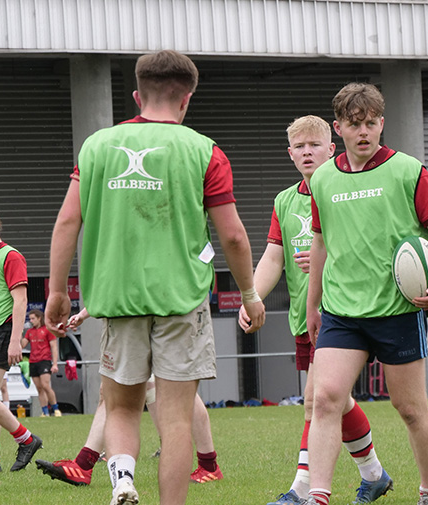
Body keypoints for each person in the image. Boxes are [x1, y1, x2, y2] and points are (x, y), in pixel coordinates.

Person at [44, 50, 265, 505]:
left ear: (136, 95)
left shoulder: (96, 146)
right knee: (177, 418)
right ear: (186, 100)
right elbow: (235, 238)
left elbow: (67, 223)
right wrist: (249, 294)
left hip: (117, 302)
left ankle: (122, 478)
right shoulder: (205, 151)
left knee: (122, 407)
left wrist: (55, 291)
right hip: (181, 302)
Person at [303, 82, 428, 505]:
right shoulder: (323, 179)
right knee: (326, 398)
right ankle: (318, 495)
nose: (364, 132)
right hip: (341, 311)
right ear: (339, 129)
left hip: (397, 310)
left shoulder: (408, 170)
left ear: (382, 123)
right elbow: (320, 242)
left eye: (371, 123)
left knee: (410, 408)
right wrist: (312, 304)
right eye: (355, 125)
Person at [237, 115, 391, 505]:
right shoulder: (285, 201)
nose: (307, 152)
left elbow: (366, 247)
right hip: (306, 319)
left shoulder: (348, 189)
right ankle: (373, 474)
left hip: (346, 311)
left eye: (314, 145)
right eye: (299, 147)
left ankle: (303, 489)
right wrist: (251, 295)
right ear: (290, 155)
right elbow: (274, 258)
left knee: (316, 400)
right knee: (335, 400)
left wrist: (325, 260)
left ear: (331, 148)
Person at [36, 308, 224, 486]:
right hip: (155, 310)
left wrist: (249, 296)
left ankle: (207, 464)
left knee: (178, 387)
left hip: (154, 312)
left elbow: (116, 281)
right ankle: (85, 463)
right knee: (118, 389)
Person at [0, 204, 42, 473]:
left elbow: (21, 301)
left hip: (0, 332)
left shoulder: (10, 255)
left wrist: (16, 340)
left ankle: (27, 440)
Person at [22, 309, 62, 417]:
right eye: (29, 319)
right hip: (33, 361)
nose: (31, 321)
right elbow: (23, 344)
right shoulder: (29, 332)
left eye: (33, 318)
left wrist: (54, 364)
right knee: (39, 388)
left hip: (44, 360)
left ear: (39, 318)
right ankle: (45, 412)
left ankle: (56, 409)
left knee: (45, 385)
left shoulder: (47, 330)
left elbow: (54, 347)